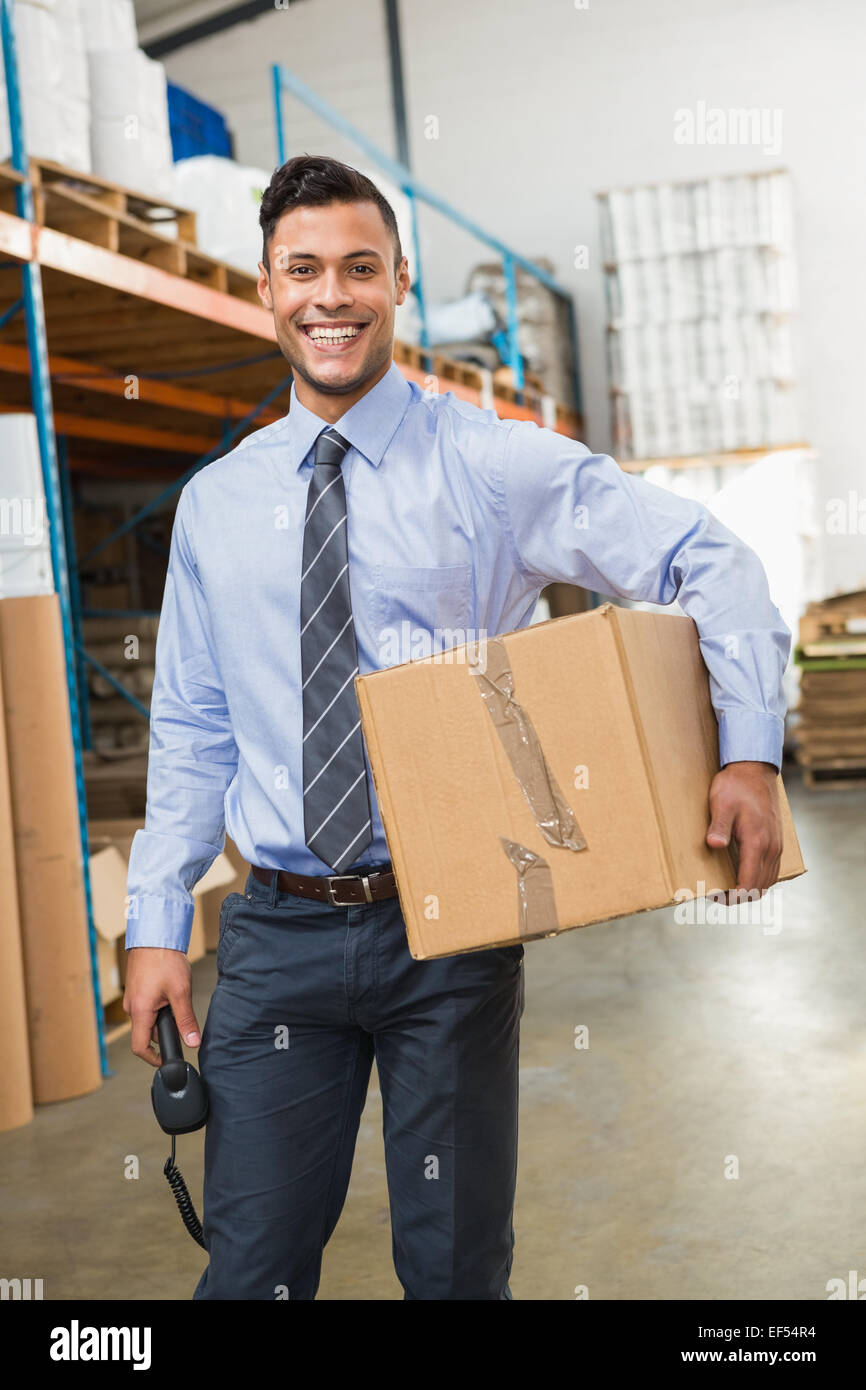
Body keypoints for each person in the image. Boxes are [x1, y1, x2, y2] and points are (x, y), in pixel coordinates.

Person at [123, 153, 788, 1301]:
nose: (330, 295)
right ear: (267, 289)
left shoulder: (487, 463)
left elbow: (705, 558)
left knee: (452, 1267)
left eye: (358, 268)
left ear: (398, 284)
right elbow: (191, 722)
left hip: (449, 929)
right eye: (302, 270)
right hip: (276, 935)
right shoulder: (219, 504)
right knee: (253, 1269)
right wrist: (153, 922)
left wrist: (746, 750)